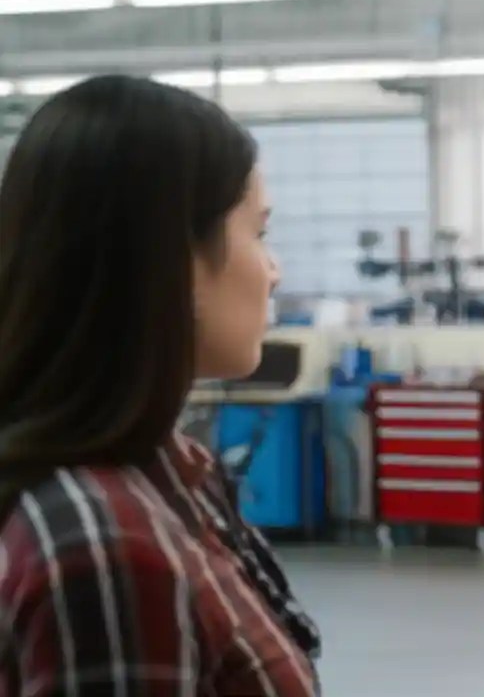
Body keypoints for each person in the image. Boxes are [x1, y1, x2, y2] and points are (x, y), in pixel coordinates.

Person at [0, 75, 320, 695]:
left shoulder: (170, 477)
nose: (274, 271)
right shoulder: (106, 547)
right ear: (173, 261)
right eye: (258, 234)